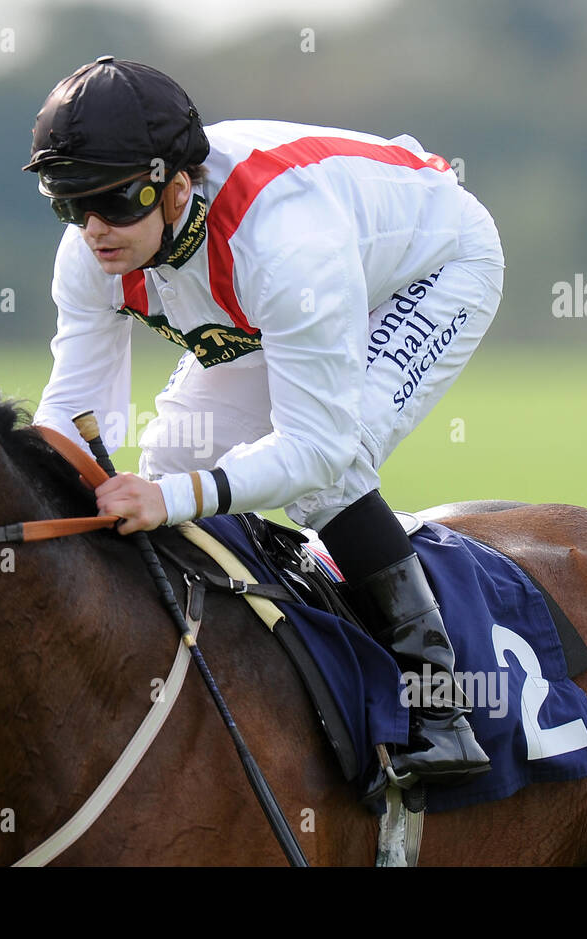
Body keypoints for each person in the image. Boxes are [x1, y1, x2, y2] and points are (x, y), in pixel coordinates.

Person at [26, 56, 503, 789]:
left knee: (327, 478)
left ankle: (439, 708)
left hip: (429, 269)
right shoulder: (94, 245)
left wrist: (174, 499)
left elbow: (315, 448)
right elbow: (75, 410)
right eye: (68, 204)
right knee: (171, 458)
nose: (93, 230)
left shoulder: (285, 243)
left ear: (178, 187)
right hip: (272, 304)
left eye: (116, 203)